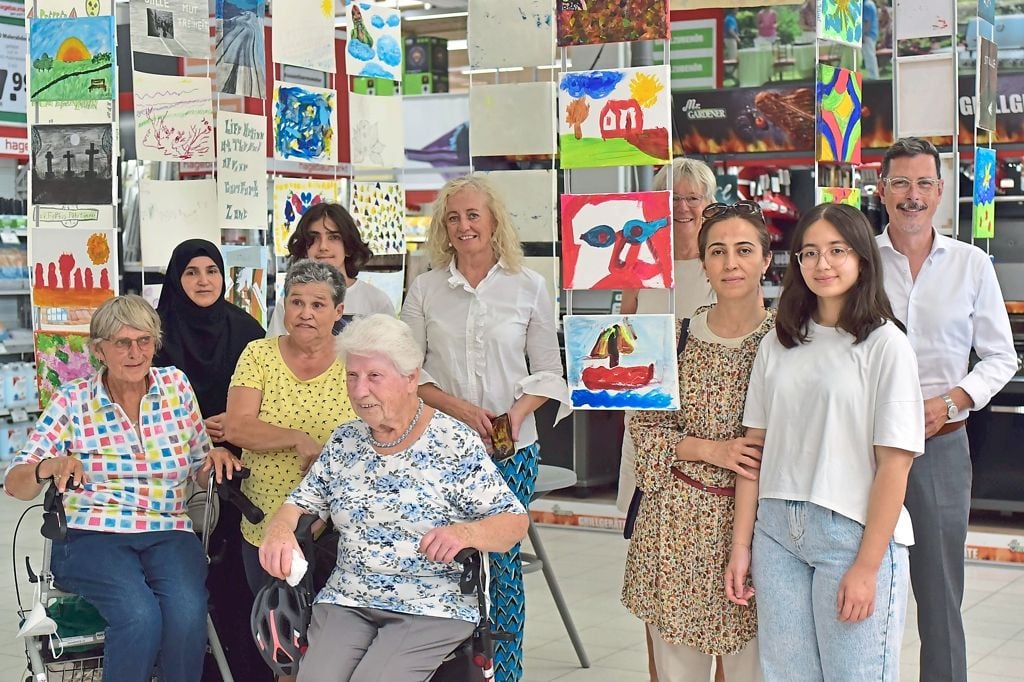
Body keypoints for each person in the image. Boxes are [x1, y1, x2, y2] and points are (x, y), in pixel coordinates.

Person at [259, 315, 530, 682]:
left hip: (433, 602)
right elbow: (302, 503)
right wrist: (279, 530)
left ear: (410, 379)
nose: (359, 390)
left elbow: (513, 520)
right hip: (350, 597)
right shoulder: (346, 441)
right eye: (352, 376)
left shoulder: (453, 442)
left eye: (374, 377)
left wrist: (465, 535)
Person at [725, 203, 924, 680]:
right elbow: (755, 449)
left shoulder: (885, 345)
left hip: (851, 534)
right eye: (809, 253)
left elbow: (895, 465)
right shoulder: (781, 340)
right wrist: (741, 544)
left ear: (861, 259)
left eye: (837, 250)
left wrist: (867, 566)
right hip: (776, 532)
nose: (822, 264)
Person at [4, 294, 241, 682]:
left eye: (144, 341)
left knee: (186, 613)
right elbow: (16, 482)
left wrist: (212, 461)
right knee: (138, 615)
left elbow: (199, 464)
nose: (135, 352)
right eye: (122, 343)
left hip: (168, 529)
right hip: (93, 534)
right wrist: (50, 465)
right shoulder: (74, 399)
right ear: (100, 350)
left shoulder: (175, 387)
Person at [400, 175, 570, 682]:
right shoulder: (426, 287)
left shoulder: (529, 286)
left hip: (510, 448)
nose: (464, 225)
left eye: (473, 215)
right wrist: (456, 408)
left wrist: (517, 412)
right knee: (443, 556)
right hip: (439, 445)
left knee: (499, 559)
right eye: (454, 218)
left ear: (494, 221)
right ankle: (449, 670)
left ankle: (505, 672)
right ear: (443, 228)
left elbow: (549, 372)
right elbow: (410, 370)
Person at [876, 138, 1016, 682]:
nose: (913, 196)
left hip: (939, 449)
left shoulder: (971, 265)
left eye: (924, 184)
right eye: (901, 183)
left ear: (940, 192)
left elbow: (1000, 357)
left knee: (939, 601)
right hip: (862, 447)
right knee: (853, 588)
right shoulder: (856, 259)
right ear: (882, 189)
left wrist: (952, 401)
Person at [623, 200, 774, 681]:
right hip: (674, 528)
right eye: (718, 251)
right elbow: (644, 432)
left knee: (752, 666)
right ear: (703, 263)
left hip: (758, 529)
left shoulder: (787, 343)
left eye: (744, 250)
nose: (731, 263)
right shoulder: (673, 338)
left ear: (766, 260)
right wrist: (716, 451)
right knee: (675, 669)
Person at [617, 158, 718, 681]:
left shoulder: (724, 262)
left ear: (709, 202)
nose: (681, 208)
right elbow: (620, 335)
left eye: (692, 197)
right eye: (671, 198)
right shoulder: (641, 262)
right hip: (653, 426)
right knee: (655, 560)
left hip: (713, 432)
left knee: (719, 567)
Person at [153, 239, 270, 682]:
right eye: (191, 272)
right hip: (176, 474)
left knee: (236, 582)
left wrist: (238, 424)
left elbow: (267, 396)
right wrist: (200, 432)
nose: (203, 281)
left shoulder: (247, 332)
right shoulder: (157, 334)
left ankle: (242, 668)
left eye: (211, 271)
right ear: (176, 279)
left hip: (241, 473)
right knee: (187, 582)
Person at [225, 259, 357, 602]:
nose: (305, 313)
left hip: (342, 526)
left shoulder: (356, 361)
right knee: (277, 630)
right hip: (267, 522)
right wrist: (296, 439)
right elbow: (237, 427)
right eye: (296, 302)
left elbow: (376, 433)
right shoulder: (259, 355)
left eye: (318, 304)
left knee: (337, 632)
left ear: (338, 310)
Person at [266, 202, 394, 337]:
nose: (323, 246)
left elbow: (395, 352)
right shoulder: (289, 304)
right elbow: (271, 354)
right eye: (314, 238)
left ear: (348, 247)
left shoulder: (377, 301)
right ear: (304, 248)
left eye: (333, 237)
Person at [863, 0, 880, 79]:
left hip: (868, 35)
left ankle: (873, 77)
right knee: (870, 56)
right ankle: (873, 76)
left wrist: (863, 35)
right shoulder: (870, 3)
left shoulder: (866, 5)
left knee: (869, 57)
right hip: (872, 34)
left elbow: (867, 22)